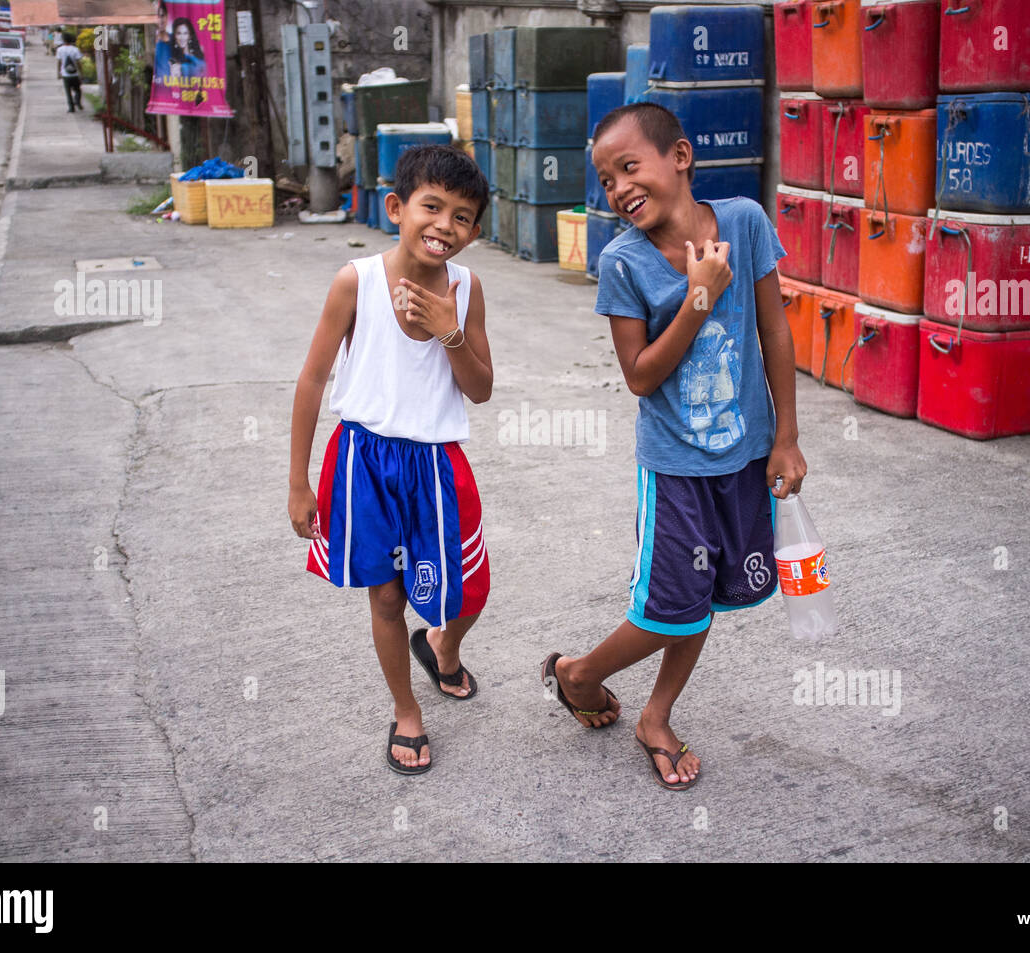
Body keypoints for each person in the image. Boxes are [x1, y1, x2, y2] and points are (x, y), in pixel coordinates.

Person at [542, 102, 807, 791]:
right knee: (667, 604)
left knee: (709, 594)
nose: (619, 188)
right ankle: (578, 673)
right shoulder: (622, 261)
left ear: (680, 157)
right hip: (676, 465)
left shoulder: (745, 223)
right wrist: (697, 299)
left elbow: (774, 332)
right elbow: (640, 375)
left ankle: (655, 716)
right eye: (606, 180)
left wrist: (785, 437)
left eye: (629, 167)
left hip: (743, 457)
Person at [288, 145, 494, 776]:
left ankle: (442, 645)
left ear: (474, 232)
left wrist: (448, 329)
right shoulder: (358, 281)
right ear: (397, 207)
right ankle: (407, 711)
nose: (445, 227)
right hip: (364, 460)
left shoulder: (465, 287)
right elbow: (312, 380)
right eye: (432, 208)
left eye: (462, 218)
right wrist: (298, 482)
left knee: (469, 589)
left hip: (437, 463)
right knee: (385, 598)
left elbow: (481, 388)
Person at [55, 30, 82, 112]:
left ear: (63, 40)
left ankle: (71, 108)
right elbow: (78, 62)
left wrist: (59, 73)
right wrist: (81, 73)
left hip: (65, 74)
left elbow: (59, 62)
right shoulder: (75, 49)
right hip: (75, 74)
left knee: (68, 92)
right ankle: (77, 102)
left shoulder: (60, 50)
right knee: (78, 90)